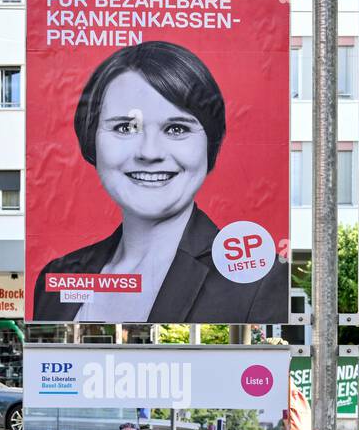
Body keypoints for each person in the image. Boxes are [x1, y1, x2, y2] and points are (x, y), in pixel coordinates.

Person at [31, 40, 286, 324]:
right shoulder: (59, 277)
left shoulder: (255, 279)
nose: (149, 152)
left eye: (176, 129)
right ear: (91, 138)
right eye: (125, 128)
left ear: (209, 142)